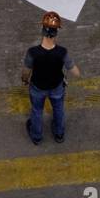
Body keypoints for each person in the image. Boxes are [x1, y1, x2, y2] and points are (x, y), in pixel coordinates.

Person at [22, 11, 80, 145]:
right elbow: (76, 73)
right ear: (56, 32)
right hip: (56, 88)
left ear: (42, 30)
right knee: (58, 110)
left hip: (37, 87)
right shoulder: (62, 52)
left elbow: (26, 72)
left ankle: (36, 137)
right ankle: (59, 134)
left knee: (37, 111)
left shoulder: (32, 52)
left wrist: (25, 80)